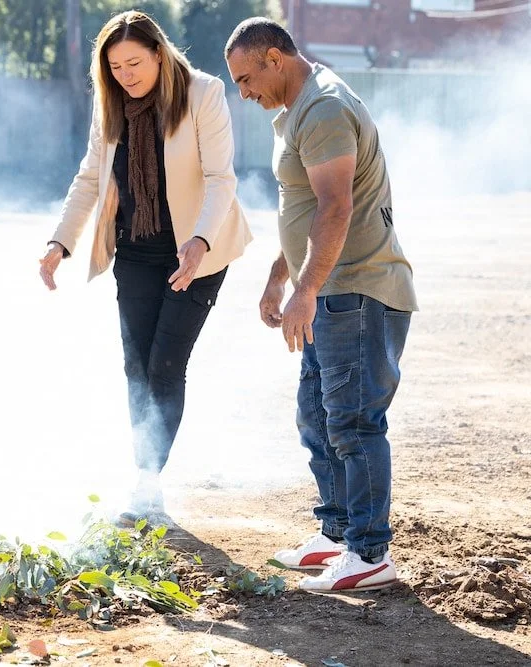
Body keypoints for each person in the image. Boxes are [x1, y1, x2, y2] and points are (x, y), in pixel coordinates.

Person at [224, 18, 418, 592]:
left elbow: (335, 208)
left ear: (275, 58)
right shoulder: (297, 110)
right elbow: (304, 208)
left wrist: (304, 289)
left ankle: (369, 552)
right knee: (318, 415)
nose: (244, 92)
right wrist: (280, 275)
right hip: (330, 290)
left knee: (354, 421)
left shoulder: (325, 107)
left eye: (246, 78)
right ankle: (336, 534)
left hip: (357, 289)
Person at [39, 10, 253, 525]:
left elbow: (221, 178)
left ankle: (149, 478)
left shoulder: (203, 93)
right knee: (136, 366)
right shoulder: (111, 103)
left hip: (195, 254)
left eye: (134, 63)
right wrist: (59, 242)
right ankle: (144, 476)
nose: (126, 75)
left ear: (159, 53)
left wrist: (199, 241)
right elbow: (91, 177)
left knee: (164, 365)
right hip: (134, 251)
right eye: (114, 67)